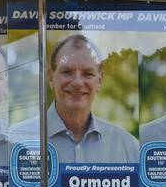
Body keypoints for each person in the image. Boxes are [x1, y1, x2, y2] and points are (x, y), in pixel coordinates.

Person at [11, 33, 137, 164]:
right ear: (50, 78)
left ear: (99, 82)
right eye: (67, 72)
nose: (77, 82)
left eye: (88, 74)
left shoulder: (127, 146)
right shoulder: (15, 140)